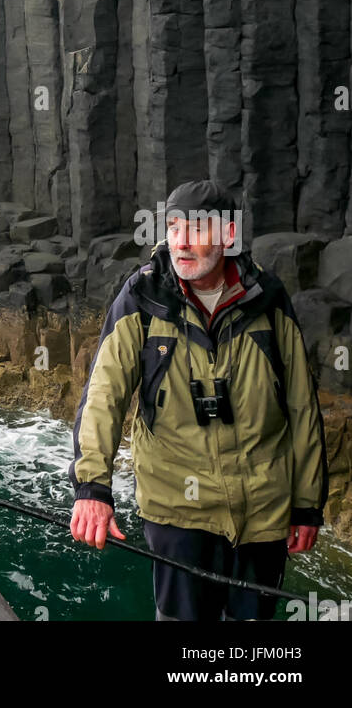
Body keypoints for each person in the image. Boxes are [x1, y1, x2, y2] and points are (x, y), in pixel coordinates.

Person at [67, 179, 329, 621]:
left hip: (263, 510)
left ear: (228, 235)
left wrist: (307, 504)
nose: (181, 242)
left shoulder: (268, 297)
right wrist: (92, 488)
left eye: (196, 229)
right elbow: (103, 396)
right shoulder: (143, 296)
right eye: (172, 227)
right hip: (177, 512)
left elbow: (302, 406)